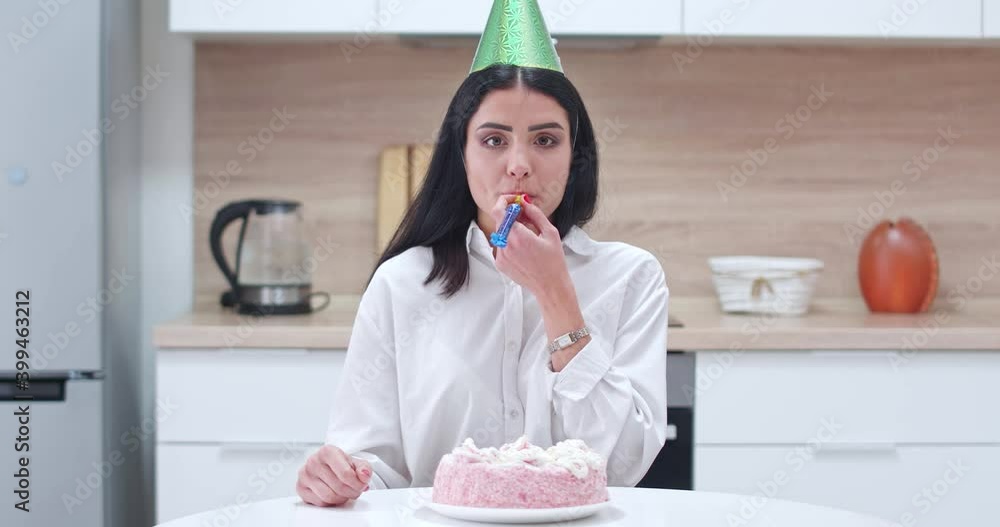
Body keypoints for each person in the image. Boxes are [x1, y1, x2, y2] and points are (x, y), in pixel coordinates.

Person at [295, 0, 668, 507]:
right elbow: (372, 467)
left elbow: (623, 466)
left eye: (545, 140)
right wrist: (338, 477)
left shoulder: (632, 277)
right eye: (494, 140)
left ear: (575, 158)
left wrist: (556, 294)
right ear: (462, 154)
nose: (519, 165)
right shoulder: (401, 284)